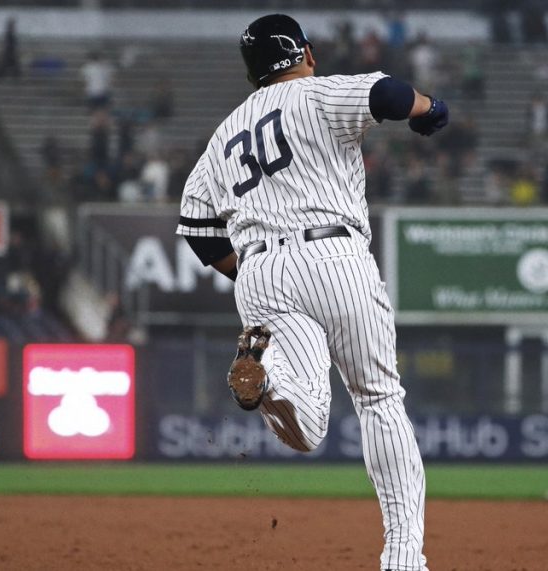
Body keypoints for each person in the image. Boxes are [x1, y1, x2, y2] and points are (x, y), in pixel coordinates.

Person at [175, 14, 447, 571]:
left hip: (259, 274)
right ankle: (402, 557)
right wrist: (431, 110)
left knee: (308, 428)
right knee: (378, 399)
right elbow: (390, 93)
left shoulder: (225, 134)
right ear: (306, 52)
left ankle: (268, 377)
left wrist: (254, 272)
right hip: (334, 254)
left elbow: (199, 227)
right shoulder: (318, 93)